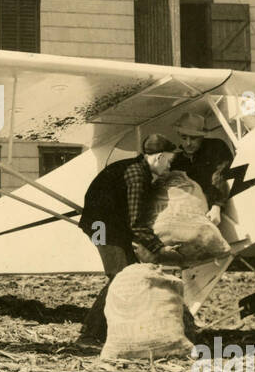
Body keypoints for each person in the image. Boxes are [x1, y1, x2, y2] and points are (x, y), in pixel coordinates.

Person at [75, 133, 179, 346]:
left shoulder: (139, 170)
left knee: (132, 275)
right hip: (100, 226)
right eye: (169, 161)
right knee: (121, 277)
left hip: (110, 224)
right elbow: (136, 223)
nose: (169, 167)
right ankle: (89, 335)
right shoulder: (137, 177)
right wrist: (160, 249)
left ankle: (123, 331)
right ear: (158, 158)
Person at [171, 112, 233, 226]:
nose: (188, 143)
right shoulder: (176, 160)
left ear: (202, 136)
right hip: (192, 215)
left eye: (193, 138)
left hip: (217, 209)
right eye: (184, 138)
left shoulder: (216, 147)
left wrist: (216, 206)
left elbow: (220, 175)